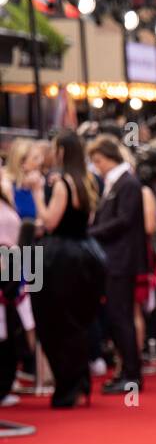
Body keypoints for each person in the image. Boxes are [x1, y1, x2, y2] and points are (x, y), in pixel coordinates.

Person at [29, 131, 104, 408]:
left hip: (58, 259)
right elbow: (89, 218)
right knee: (77, 321)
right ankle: (79, 381)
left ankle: (67, 385)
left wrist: (38, 194)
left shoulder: (62, 183)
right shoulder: (89, 181)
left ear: (61, 151)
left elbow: (49, 221)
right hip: (85, 256)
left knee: (54, 322)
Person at [86, 136, 148, 395]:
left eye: (98, 160)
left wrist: (92, 232)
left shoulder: (128, 183)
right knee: (116, 317)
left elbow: (123, 220)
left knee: (121, 318)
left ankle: (132, 375)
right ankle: (126, 371)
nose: (97, 166)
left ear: (110, 157)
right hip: (114, 260)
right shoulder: (116, 183)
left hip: (122, 261)